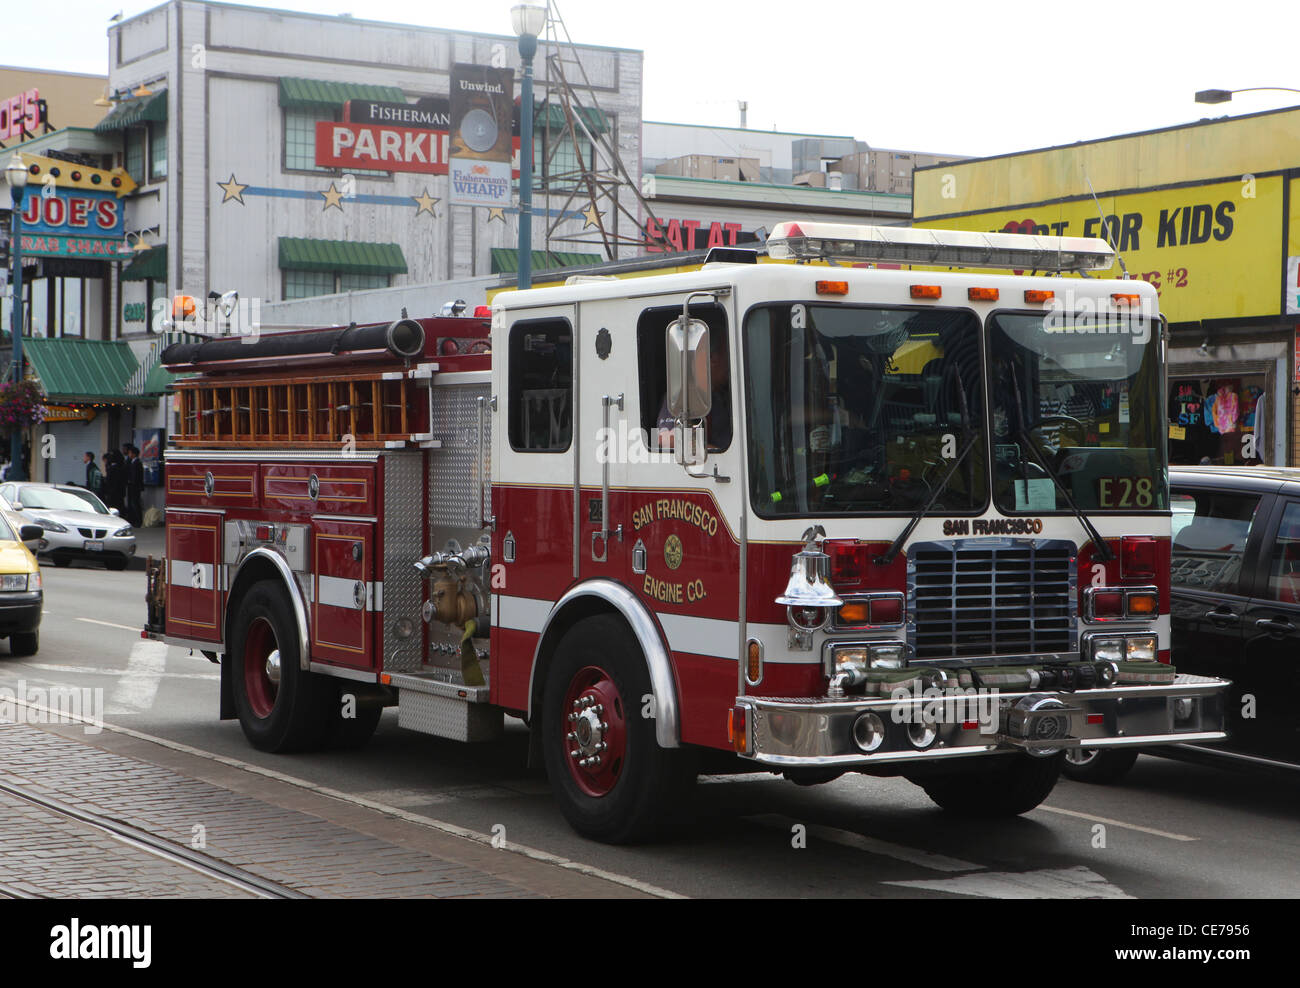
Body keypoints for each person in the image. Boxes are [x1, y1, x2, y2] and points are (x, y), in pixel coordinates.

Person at [125, 445, 144, 527]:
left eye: (130, 453)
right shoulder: (132, 462)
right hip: (131, 486)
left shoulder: (137, 463)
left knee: (135, 503)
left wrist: (132, 482)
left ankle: (138, 521)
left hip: (135, 487)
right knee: (132, 503)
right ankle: (133, 520)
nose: (129, 455)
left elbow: (136, 476)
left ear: (134, 454)